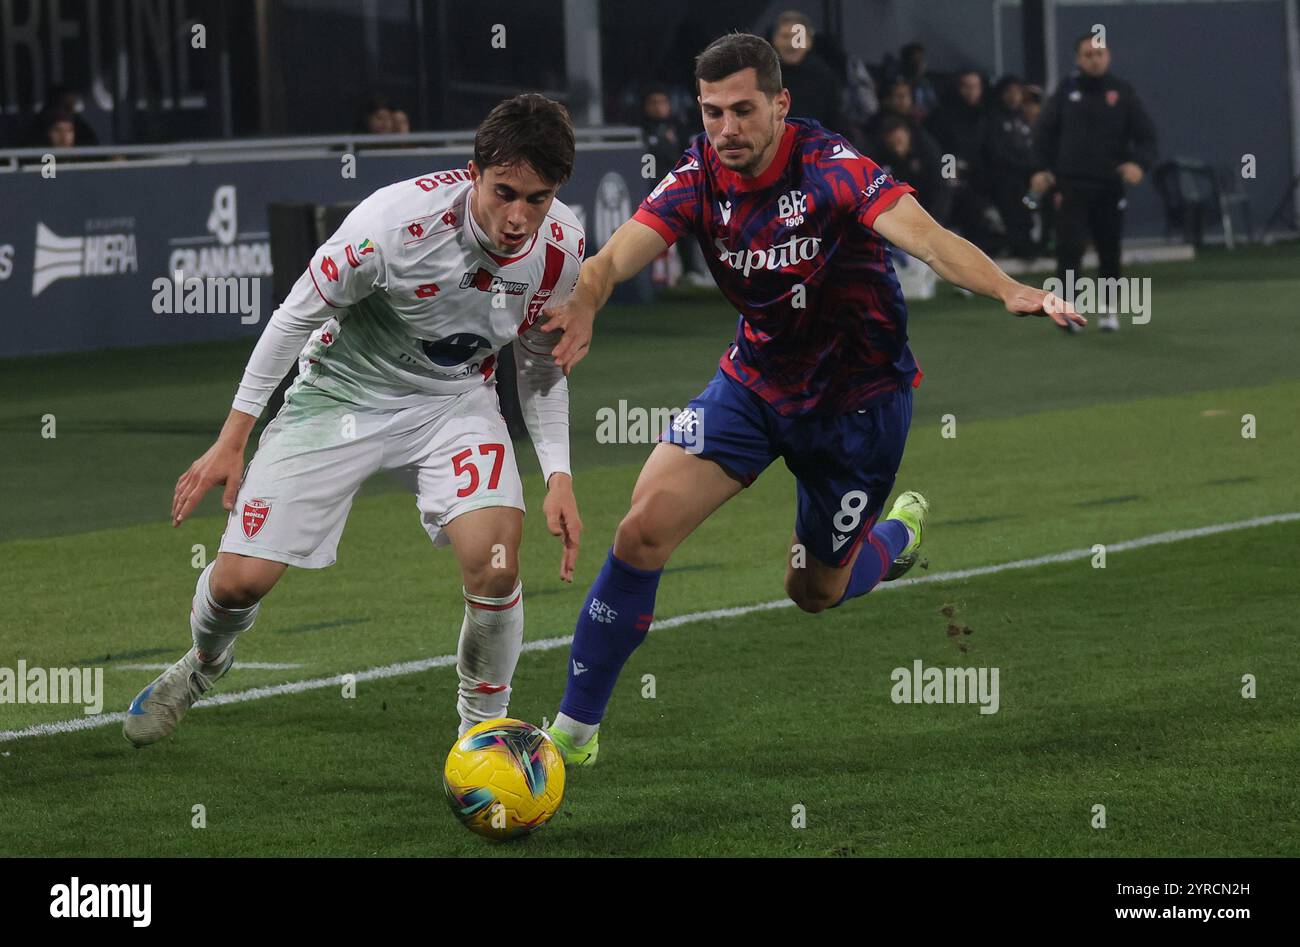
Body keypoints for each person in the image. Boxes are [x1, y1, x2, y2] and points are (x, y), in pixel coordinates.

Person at [537, 33, 1083, 765]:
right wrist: (587, 301)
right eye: (711, 112)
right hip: (755, 385)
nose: (725, 129)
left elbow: (925, 236)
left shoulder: (831, 169)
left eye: (742, 110)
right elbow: (611, 259)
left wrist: (1011, 287)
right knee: (641, 530)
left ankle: (891, 542)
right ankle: (573, 733)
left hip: (857, 410)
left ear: (780, 104)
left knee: (812, 589)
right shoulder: (698, 173)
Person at [123, 94, 585, 747]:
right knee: (237, 584)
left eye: (536, 199)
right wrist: (235, 435)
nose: (518, 217)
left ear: (557, 190)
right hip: (341, 390)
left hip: (453, 401)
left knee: (496, 563)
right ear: (473, 172)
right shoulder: (390, 227)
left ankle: (482, 737)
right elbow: (293, 318)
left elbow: (540, 361)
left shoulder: (562, 248)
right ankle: (202, 664)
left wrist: (558, 472)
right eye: (504, 192)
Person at [1031, 34, 1157, 332]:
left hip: (1109, 186)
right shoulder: (1065, 91)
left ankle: (1109, 311)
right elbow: (1044, 133)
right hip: (1071, 185)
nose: (1094, 59)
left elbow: (1147, 137)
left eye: (1099, 53)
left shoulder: (1122, 92)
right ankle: (1067, 311)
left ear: (1108, 56)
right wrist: (1039, 169)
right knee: (1069, 248)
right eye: (1088, 54)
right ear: (1078, 59)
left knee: (1109, 249)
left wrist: (1139, 164)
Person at [984, 76, 1039, 258]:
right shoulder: (994, 119)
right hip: (1003, 177)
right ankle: (1017, 245)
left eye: (1017, 92)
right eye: (1009, 92)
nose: (1014, 96)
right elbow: (996, 153)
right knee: (1012, 198)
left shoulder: (1024, 119)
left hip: (1027, 177)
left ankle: (1039, 242)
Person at [769, 10, 844, 133]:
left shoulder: (826, 77)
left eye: (798, 38)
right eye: (786, 36)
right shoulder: (763, 76)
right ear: (775, 40)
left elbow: (834, 122)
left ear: (809, 42)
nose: (792, 44)